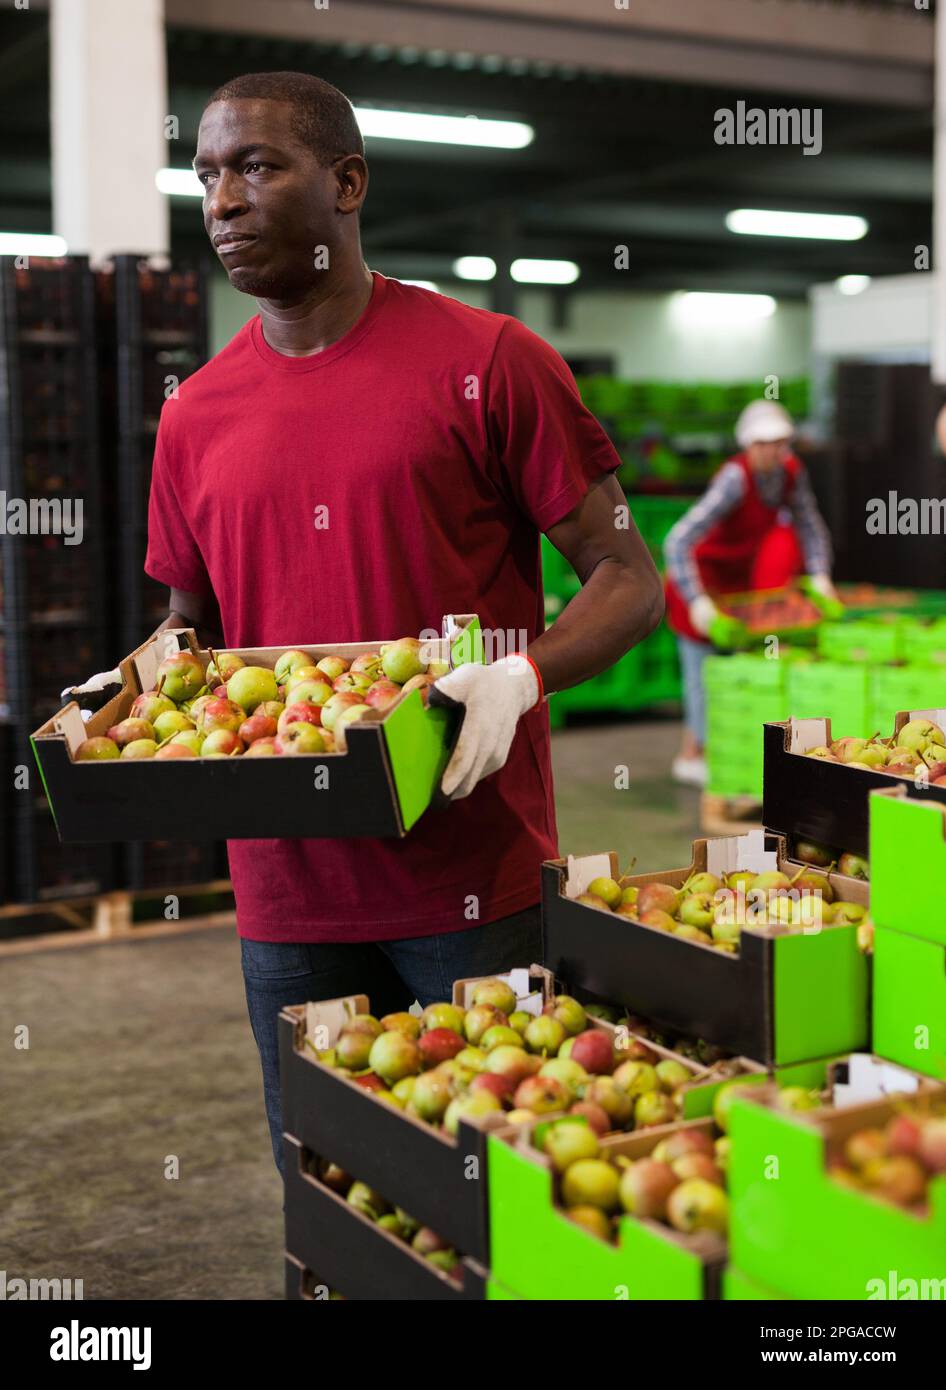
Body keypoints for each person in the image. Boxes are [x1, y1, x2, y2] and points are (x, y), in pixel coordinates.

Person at [101, 71, 661, 1174]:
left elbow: (626, 575)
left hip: (471, 868)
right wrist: (129, 689)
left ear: (348, 182)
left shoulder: (487, 362)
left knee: (494, 1184)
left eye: (257, 166)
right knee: (331, 1188)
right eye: (207, 173)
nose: (221, 199)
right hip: (286, 891)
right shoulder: (196, 413)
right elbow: (187, 624)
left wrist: (520, 676)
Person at [663, 398, 837, 788]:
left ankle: (717, 753)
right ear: (747, 444)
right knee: (701, 674)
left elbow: (809, 524)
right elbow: (678, 541)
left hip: (734, 591)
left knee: (729, 676)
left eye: (778, 443)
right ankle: (693, 755)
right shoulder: (734, 479)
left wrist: (820, 575)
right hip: (698, 585)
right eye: (763, 444)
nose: (772, 452)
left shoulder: (791, 473)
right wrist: (697, 601)